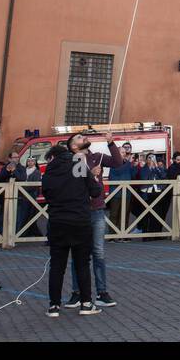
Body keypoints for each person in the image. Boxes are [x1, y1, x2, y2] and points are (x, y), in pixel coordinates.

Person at [62, 131, 123, 309]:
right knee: (78, 254)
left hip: (96, 210)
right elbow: (78, 182)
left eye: (83, 137)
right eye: (80, 138)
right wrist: (91, 173)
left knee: (99, 253)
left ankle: (102, 292)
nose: (84, 138)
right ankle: (77, 293)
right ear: (74, 146)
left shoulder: (97, 156)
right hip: (80, 212)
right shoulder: (74, 159)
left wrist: (111, 143)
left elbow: (118, 163)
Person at [41, 140, 102, 317]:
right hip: (79, 221)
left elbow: (46, 194)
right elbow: (95, 191)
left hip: (58, 222)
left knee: (57, 266)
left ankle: (54, 306)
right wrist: (95, 179)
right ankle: (86, 304)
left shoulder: (49, 172)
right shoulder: (78, 165)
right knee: (82, 264)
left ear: (52, 156)